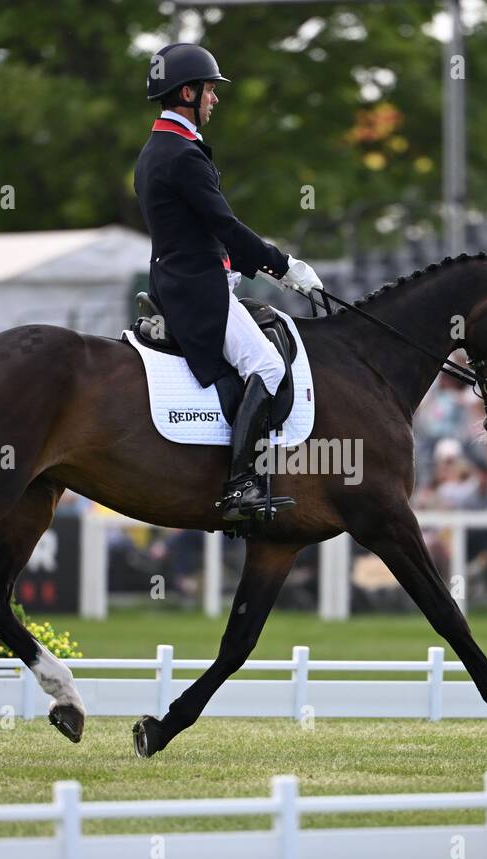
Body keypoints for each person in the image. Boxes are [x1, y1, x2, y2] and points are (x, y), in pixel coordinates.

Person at [134, 42, 324, 523]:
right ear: (188, 91)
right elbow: (226, 226)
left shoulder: (159, 149)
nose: (215, 99)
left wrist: (261, 271)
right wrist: (286, 266)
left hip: (183, 280)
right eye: (211, 91)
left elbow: (207, 233)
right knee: (267, 365)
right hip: (198, 291)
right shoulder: (182, 154)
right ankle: (241, 486)